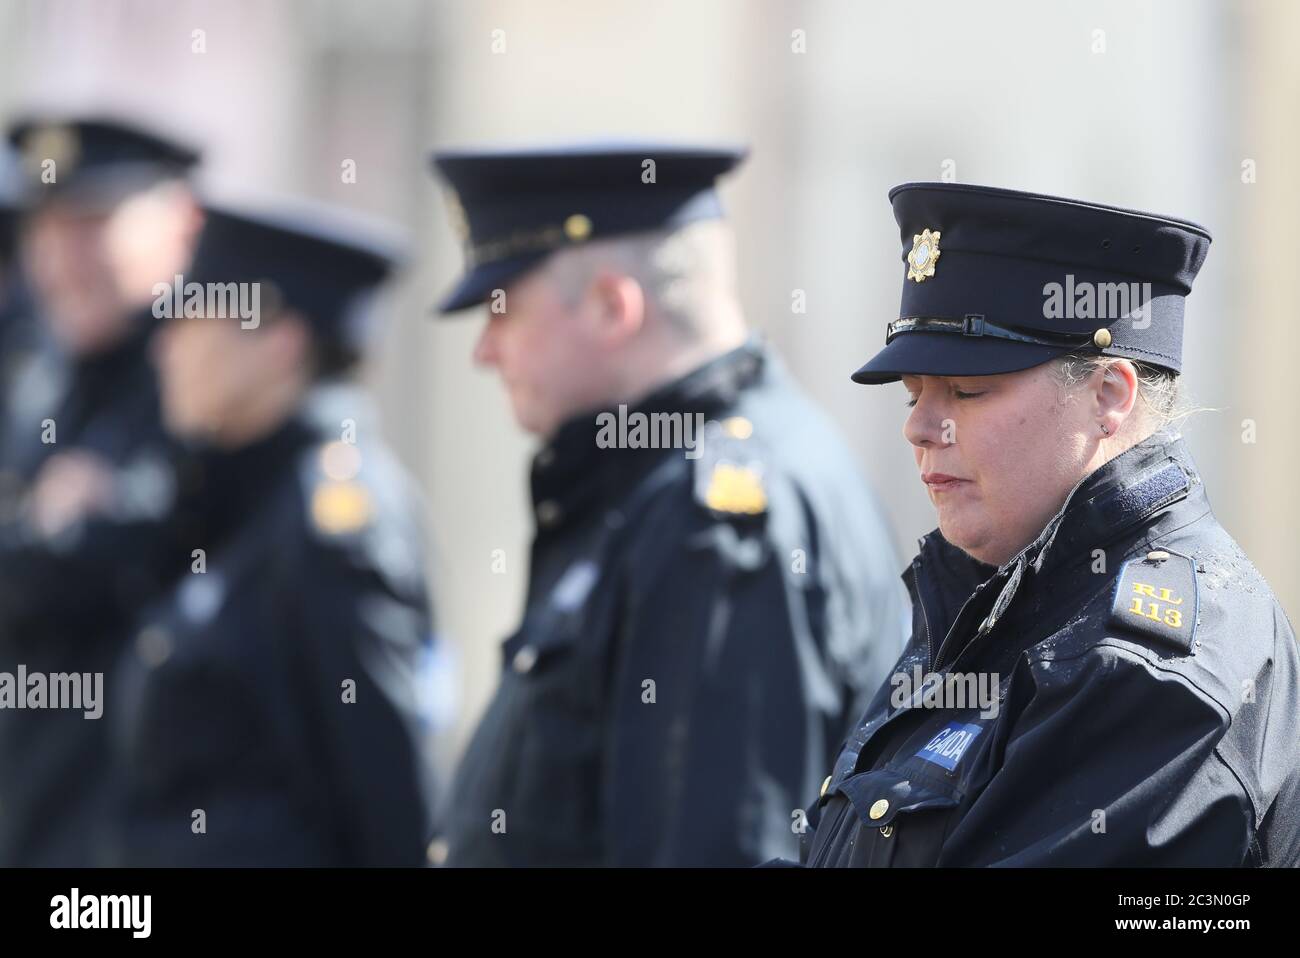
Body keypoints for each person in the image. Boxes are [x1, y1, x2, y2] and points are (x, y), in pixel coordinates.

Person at [427, 143, 909, 866]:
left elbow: (718, 845)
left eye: (502, 312)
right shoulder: (659, 485)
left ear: (611, 306)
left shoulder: (717, 521)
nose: (484, 352)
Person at [798, 182, 1300, 867]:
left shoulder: (1140, 669)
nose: (918, 426)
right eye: (915, 393)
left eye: (967, 391)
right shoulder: (994, 594)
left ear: (1109, 395)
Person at [101, 201, 437, 866]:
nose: (164, 349)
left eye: (191, 323)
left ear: (279, 340)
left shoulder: (334, 521)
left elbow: (391, 801)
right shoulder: (239, 496)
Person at [0, 116, 201, 865]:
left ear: (183, 221)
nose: (60, 260)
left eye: (91, 226)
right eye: (43, 231)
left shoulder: (196, 386)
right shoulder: (44, 382)